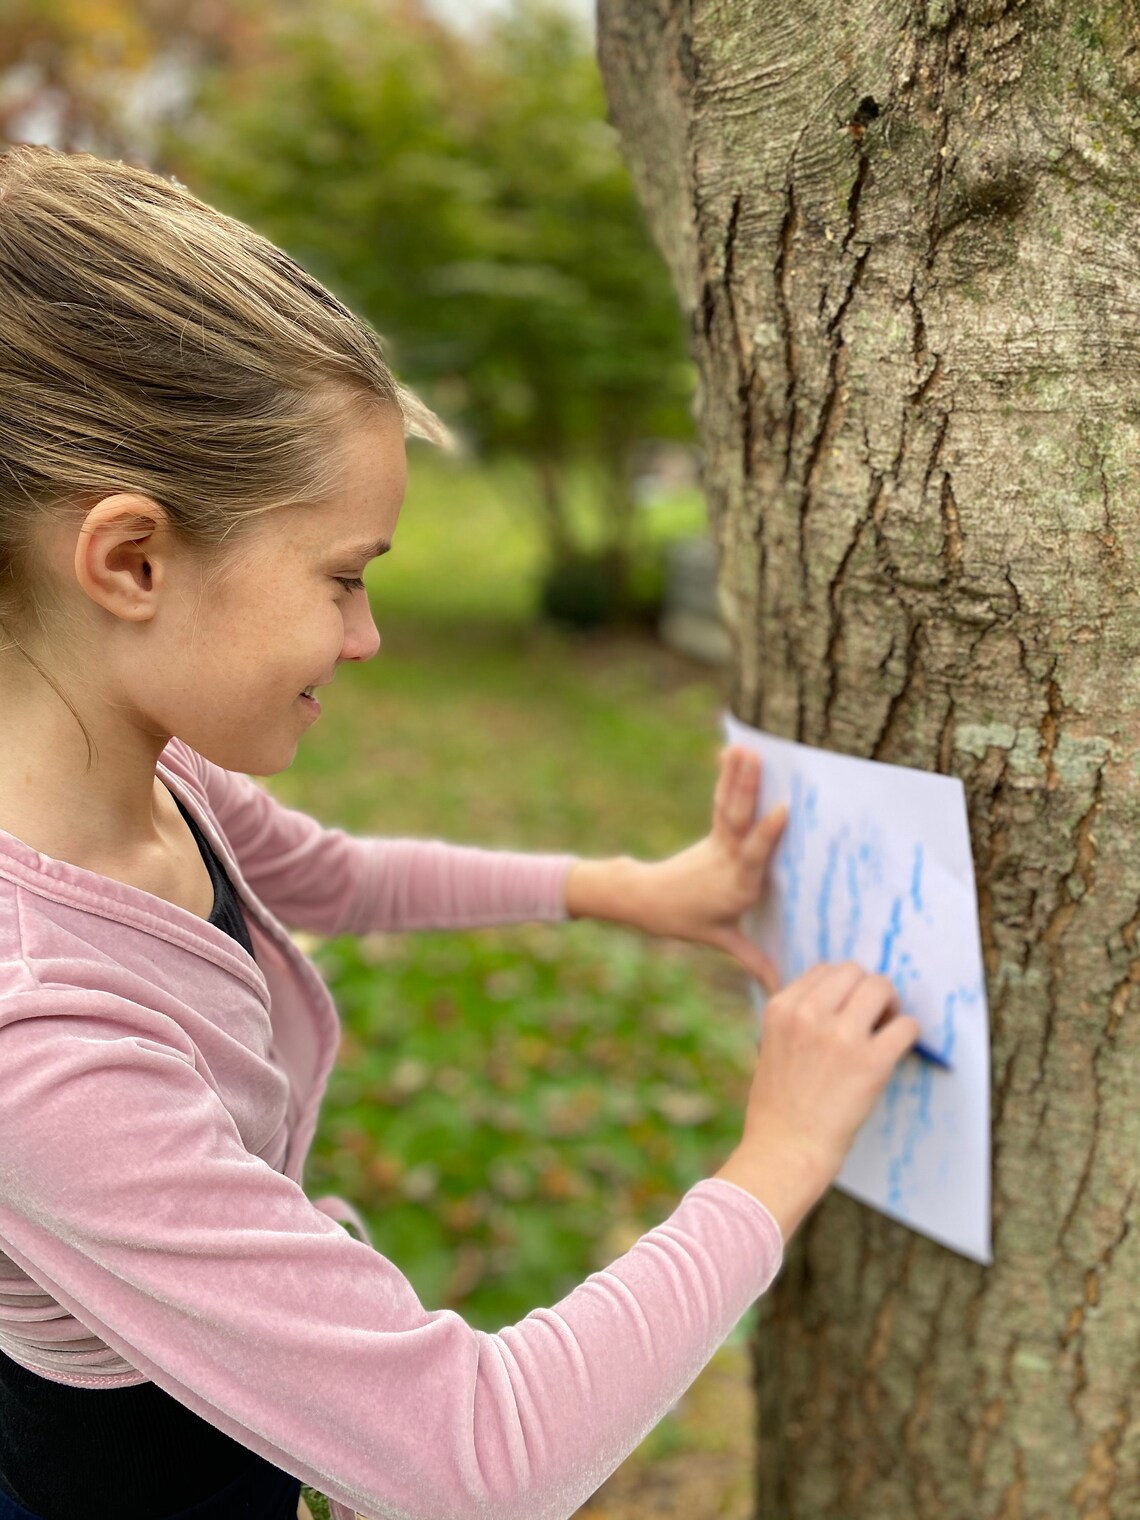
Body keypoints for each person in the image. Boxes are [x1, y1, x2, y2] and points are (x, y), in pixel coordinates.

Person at [0, 144, 920, 1520]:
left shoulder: (131, 761)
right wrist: (778, 1154)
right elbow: (474, 1465)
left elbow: (329, 876)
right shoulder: (42, 1046)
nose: (367, 638)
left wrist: (632, 890)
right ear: (132, 560)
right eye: (343, 580)